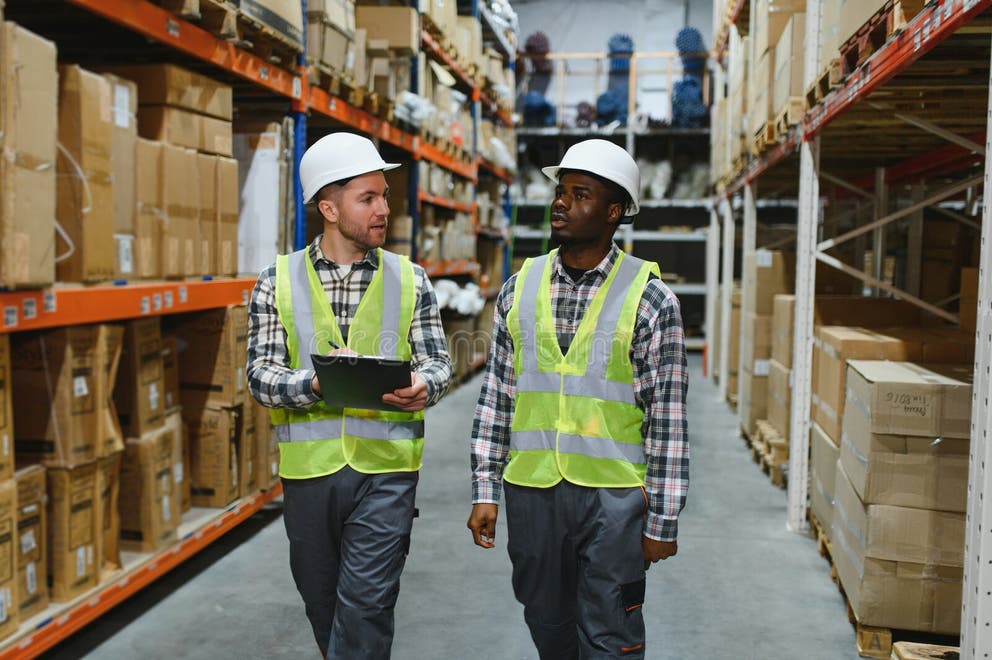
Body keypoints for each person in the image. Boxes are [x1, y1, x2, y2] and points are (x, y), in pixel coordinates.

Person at [466, 139, 689, 659]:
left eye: (580, 194)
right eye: (560, 191)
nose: (561, 203)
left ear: (614, 212)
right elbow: (497, 397)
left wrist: (663, 520)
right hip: (533, 492)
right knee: (546, 621)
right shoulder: (520, 287)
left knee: (610, 631)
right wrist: (485, 488)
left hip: (613, 498)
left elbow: (667, 421)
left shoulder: (650, 299)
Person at [247, 132, 452, 659]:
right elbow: (260, 376)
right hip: (309, 474)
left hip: (387, 472)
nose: (384, 209)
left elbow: (438, 361)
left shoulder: (411, 280)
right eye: (369, 198)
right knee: (323, 607)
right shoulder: (276, 280)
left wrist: (426, 385)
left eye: (384, 196)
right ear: (330, 208)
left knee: (366, 606)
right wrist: (315, 384)